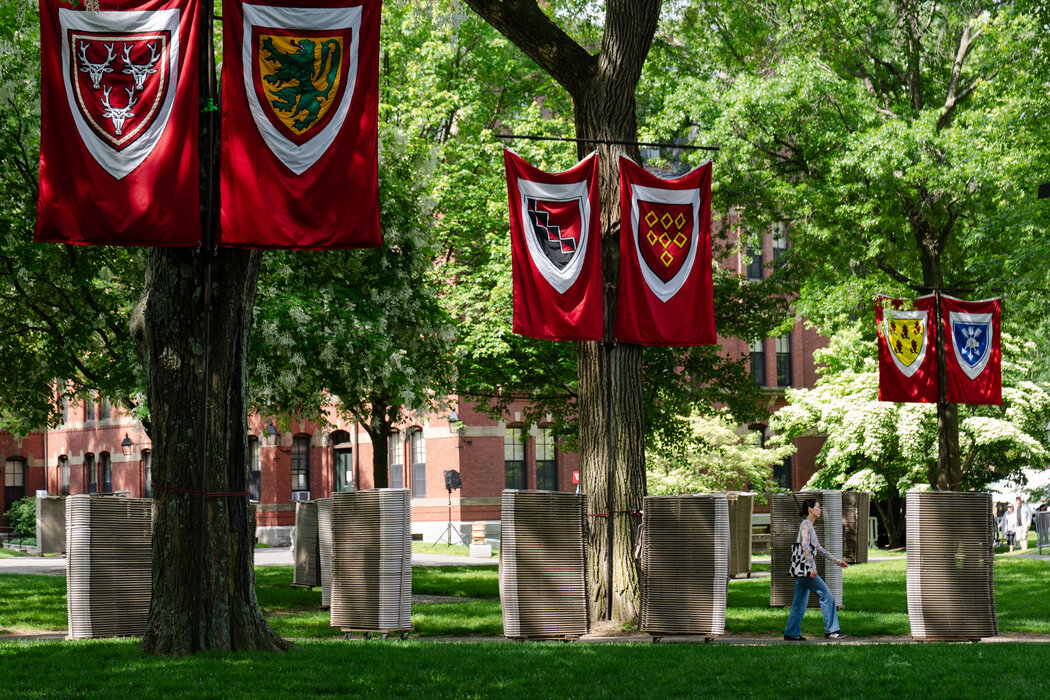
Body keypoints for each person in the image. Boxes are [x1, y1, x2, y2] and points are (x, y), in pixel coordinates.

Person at [784, 498, 849, 641]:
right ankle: (832, 631)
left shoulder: (809, 526)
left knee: (799, 602)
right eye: (818, 507)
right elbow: (805, 547)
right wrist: (812, 568)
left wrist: (838, 561)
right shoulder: (806, 525)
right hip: (807, 570)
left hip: (803, 570)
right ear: (810, 509)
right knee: (826, 595)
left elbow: (818, 548)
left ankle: (791, 632)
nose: (820, 510)